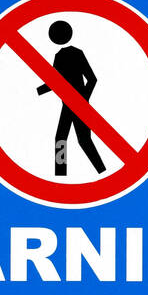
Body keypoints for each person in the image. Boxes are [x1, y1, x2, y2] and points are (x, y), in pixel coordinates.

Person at [36, 20, 106, 177]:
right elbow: (54, 82)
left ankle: (101, 171)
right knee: (61, 138)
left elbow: (92, 79)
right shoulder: (58, 56)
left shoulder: (77, 53)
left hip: (78, 105)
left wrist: (82, 100)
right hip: (67, 105)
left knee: (84, 140)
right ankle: (60, 175)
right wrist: (37, 91)